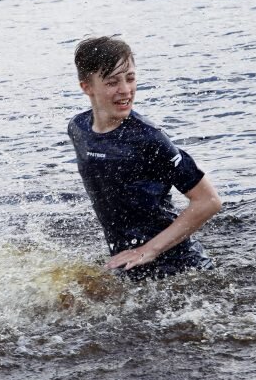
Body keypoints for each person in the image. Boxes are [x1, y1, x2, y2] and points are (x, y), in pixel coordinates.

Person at [68, 36, 222, 279]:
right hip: (128, 266)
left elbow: (208, 201)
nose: (125, 90)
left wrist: (148, 250)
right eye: (112, 82)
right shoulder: (78, 129)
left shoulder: (148, 139)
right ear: (87, 87)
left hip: (179, 268)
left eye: (130, 78)